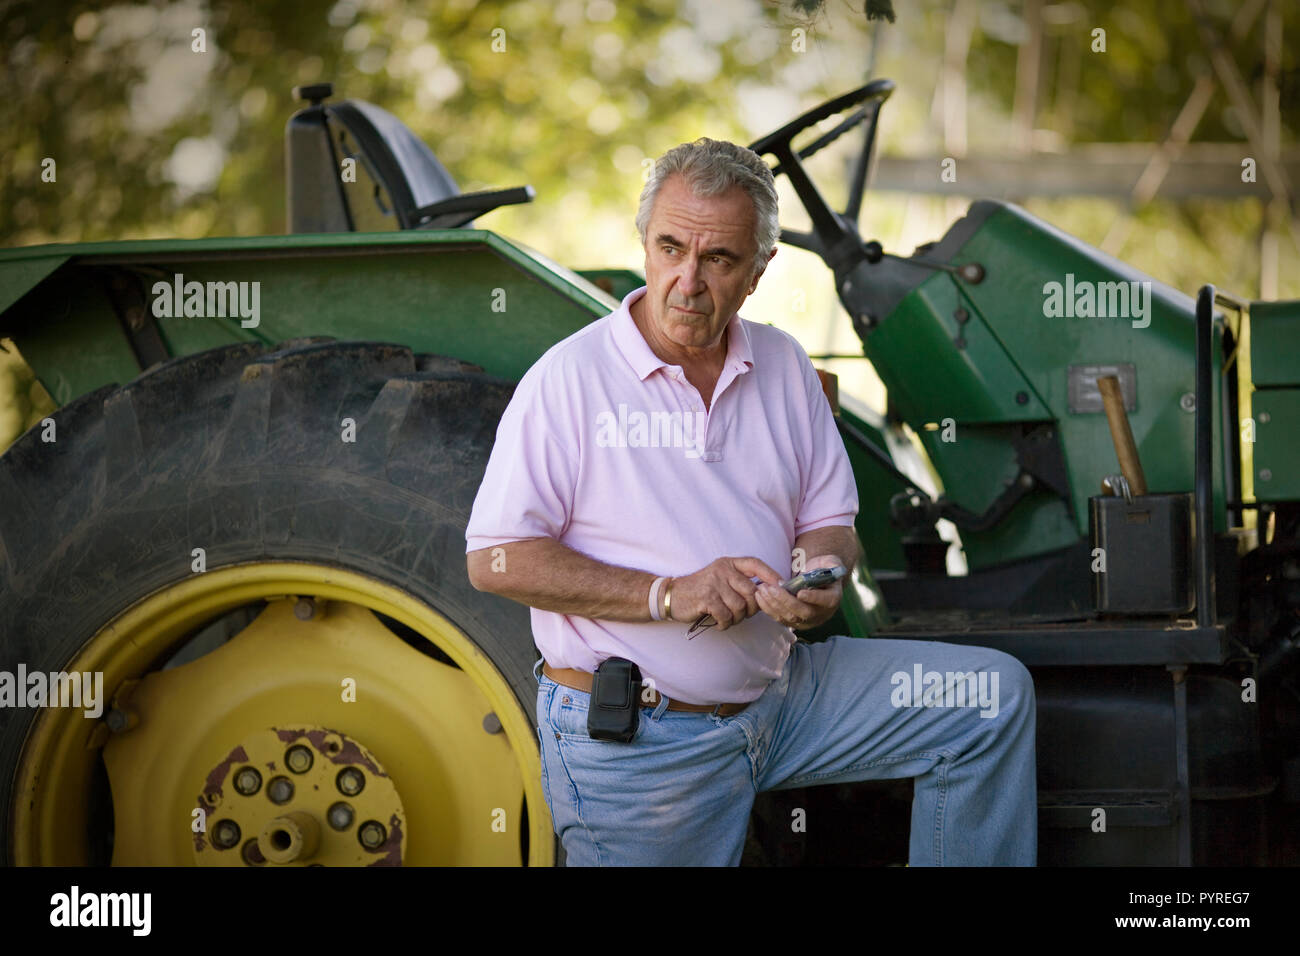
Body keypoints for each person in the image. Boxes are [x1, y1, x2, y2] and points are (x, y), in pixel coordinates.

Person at [465, 137, 1037, 866]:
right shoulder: (569, 381)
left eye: (719, 260)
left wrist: (820, 577)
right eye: (670, 248)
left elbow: (827, 521)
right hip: (645, 737)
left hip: (784, 700)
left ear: (760, 271)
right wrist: (670, 594)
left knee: (986, 704)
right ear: (645, 241)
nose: (688, 281)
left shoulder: (783, 363)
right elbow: (496, 560)